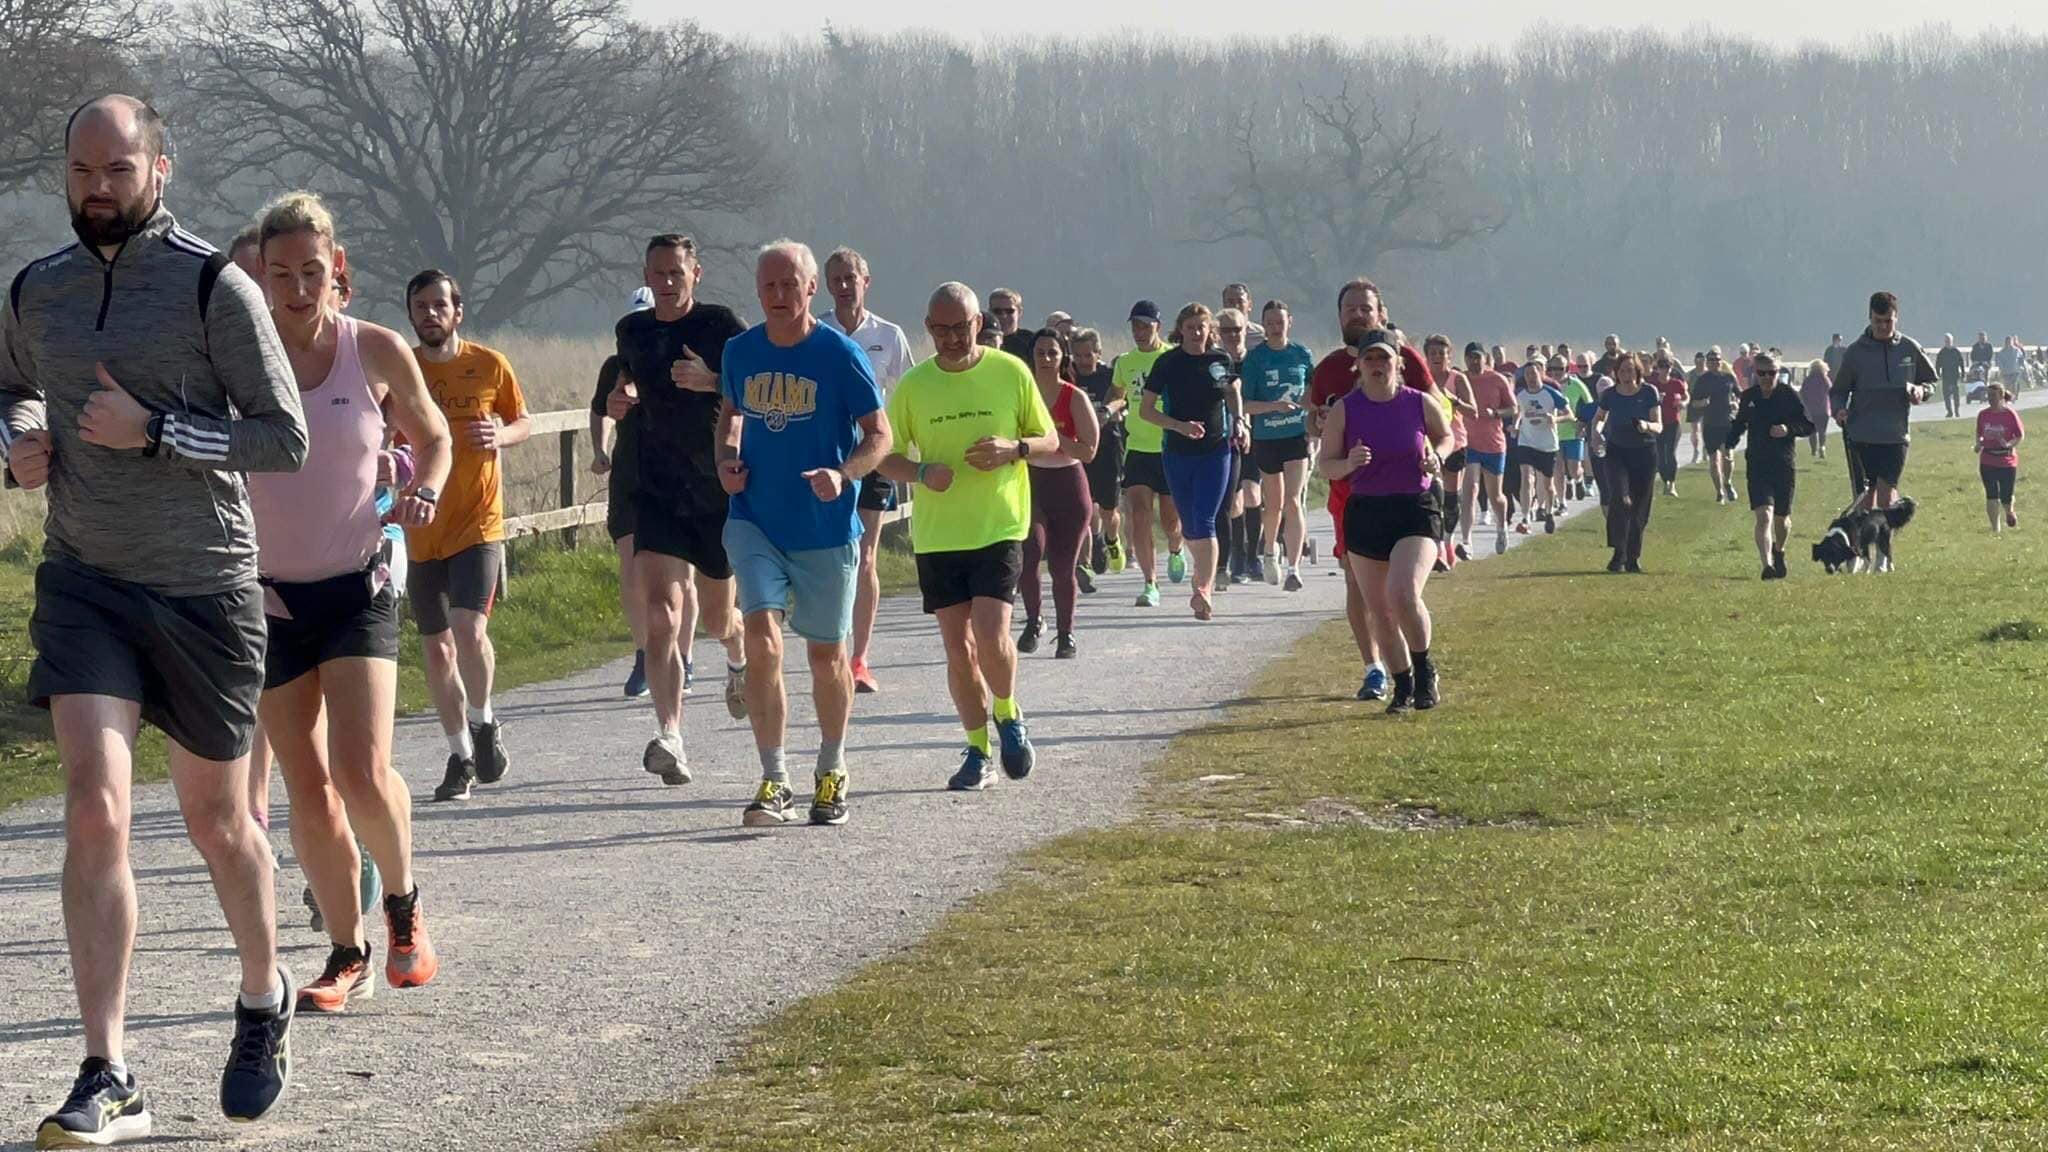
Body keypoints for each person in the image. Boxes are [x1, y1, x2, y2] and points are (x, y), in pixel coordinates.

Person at [4, 94, 309, 1146]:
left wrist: (158, 431)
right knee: (94, 808)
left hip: (204, 587)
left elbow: (284, 438)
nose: (98, 190)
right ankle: (109, 1071)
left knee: (218, 823)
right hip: (85, 580)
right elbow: (9, 389)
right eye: (82, 171)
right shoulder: (37, 289)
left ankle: (263, 996)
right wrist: (19, 440)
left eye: (118, 171)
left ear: (159, 171)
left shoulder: (215, 286)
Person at [246, 192, 450, 1013]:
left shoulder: (374, 349)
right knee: (308, 787)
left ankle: (402, 907)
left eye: (312, 272)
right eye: (281, 274)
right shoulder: (238, 359)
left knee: (359, 769)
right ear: (260, 277)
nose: (298, 290)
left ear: (337, 270)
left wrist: (427, 487)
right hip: (270, 601)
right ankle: (345, 951)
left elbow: (433, 436)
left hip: (357, 586)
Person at [717, 241, 891, 828]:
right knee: (762, 639)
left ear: (811, 288)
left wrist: (843, 475)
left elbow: (879, 435)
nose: (778, 296)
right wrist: (726, 460)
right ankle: (775, 779)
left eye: (790, 285)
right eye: (769, 286)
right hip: (755, 519)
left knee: (826, 656)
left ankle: (832, 767)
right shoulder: (740, 351)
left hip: (823, 528)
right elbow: (730, 415)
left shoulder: (839, 354)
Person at [874, 284, 1055, 789]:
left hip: (998, 525)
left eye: (962, 328)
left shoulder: (1010, 371)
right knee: (959, 650)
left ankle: (1008, 713)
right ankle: (978, 752)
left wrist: (1013, 449)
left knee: (992, 636)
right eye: (942, 330)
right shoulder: (914, 385)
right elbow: (884, 455)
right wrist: (920, 472)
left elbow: (1049, 439)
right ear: (928, 329)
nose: (952, 339)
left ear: (979, 324)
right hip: (939, 534)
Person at [608, 234, 752, 785]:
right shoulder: (632, 330)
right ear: (646, 275)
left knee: (717, 619)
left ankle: (737, 656)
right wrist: (619, 400)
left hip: (712, 488)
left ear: (696, 273)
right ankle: (670, 734)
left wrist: (711, 380)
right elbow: (622, 385)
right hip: (657, 487)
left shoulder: (721, 326)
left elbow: (757, 386)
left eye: (676, 273)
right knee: (661, 614)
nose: (667, 283)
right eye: (658, 273)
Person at [403, 269, 531, 801]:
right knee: (436, 652)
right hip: (420, 528)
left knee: (468, 630)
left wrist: (500, 434)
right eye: (421, 306)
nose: (431, 314)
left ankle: (482, 720)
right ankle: (460, 756)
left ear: (458, 311)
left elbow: (523, 421)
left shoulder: (489, 364)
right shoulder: (401, 367)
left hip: (478, 523)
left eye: (440, 305)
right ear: (411, 314)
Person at [1309, 278, 1435, 701]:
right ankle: (1375, 667)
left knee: (1400, 592)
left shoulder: (1409, 359)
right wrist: (1323, 424)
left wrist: (1432, 451)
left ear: (1381, 313)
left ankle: (1418, 667)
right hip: (1351, 491)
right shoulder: (1328, 369)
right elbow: (1313, 421)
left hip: (1406, 486)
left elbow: (1438, 412)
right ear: (1339, 316)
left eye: (1366, 308)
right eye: (1350, 309)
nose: (1358, 315)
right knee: (1360, 588)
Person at [819, 247, 915, 696]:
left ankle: (859, 659)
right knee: (830, 555)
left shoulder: (889, 335)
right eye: (836, 279)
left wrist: (910, 446)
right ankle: (832, 649)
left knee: (866, 555)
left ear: (866, 282)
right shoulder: (815, 330)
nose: (844, 286)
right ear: (825, 284)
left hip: (872, 452)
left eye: (850, 278)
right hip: (826, 452)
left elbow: (909, 390)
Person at [1142, 304, 1245, 620]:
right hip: (1177, 452)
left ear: (1209, 330)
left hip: (1216, 451)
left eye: (1202, 327)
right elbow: (1146, 410)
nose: (1197, 333)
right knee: (1189, 525)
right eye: (1190, 327)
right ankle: (1202, 576)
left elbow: (1232, 391)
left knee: (1206, 519)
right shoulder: (1168, 363)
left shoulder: (1220, 359)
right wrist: (1179, 426)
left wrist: (1240, 421)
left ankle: (1203, 589)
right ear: (1181, 330)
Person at [592, 288, 658, 699]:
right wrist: (600, 449)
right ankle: (644, 654)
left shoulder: (682, 362)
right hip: (630, 474)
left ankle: (681, 655)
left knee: (678, 573)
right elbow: (599, 408)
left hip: (678, 476)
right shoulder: (615, 366)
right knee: (631, 566)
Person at [1017, 328, 1100, 656]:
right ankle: (1034, 620)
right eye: (1040, 353)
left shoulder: (1073, 397)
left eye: (1053, 352)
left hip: (1068, 486)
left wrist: (1052, 438)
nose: (1047, 358)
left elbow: (1089, 451)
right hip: (1031, 484)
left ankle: (1066, 634)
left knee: (1062, 568)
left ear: (1063, 356)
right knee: (1029, 556)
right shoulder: (1021, 395)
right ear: (1031, 356)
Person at [1830, 290, 1936, 516]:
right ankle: (1865, 539)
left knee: (1887, 498)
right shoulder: (1855, 352)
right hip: (1861, 435)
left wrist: (1921, 390)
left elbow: (1930, 382)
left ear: (1896, 318)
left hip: (1895, 436)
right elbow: (1838, 390)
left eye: (1888, 321)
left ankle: (1885, 539)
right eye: (1878, 321)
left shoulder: (1909, 348)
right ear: (1869, 318)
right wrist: (1839, 410)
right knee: (1866, 500)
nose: (1883, 327)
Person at [1113, 300, 1182, 605]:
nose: (1139, 332)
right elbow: (1118, 394)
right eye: (1135, 326)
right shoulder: (1124, 362)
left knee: (1170, 522)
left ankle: (1176, 548)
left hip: (1169, 448)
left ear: (1158, 326)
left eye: (1145, 325)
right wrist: (1109, 409)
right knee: (1139, 514)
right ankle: (1150, 583)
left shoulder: (1172, 358)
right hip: (1138, 449)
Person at [1242, 300, 1314, 588]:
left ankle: (1294, 567)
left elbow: (1313, 390)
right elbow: (1245, 404)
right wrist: (1274, 406)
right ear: (1263, 325)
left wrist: (1311, 415)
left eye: (1280, 322)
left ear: (1289, 322)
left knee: (1293, 500)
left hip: (1296, 435)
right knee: (1274, 504)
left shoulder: (1301, 353)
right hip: (1267, 437)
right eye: (1270, 323)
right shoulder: (1255, 359)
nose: (1275, 328)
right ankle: (1270, 550)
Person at [1726, 349, 1813, 580]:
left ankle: (1779, 550)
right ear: (1755, 373)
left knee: (1781, 519)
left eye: (1771, 373)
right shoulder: (1749, 397)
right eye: (1761, 373)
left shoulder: (1788, 395)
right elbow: (1740, 424)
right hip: (1757, 463)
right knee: (1764, 515)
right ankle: (1767, 565)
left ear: (1778, 372)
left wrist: (1788, 429)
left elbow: (1808, 425)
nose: (1766, 378)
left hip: (1783, 463)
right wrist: (1728, 445)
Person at [1592, 353, 1662, 573]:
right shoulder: (1610, 394)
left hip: (1644, 453)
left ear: (1638, 371)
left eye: (1630, 370)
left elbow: (1658, 425)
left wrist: (1646, 426)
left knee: (1640, 507)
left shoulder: (1649, 392)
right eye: (1622, 371)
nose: (1626, 375)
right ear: (1616, 373)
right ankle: (1618, 551)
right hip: (1617, 452)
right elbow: (1600, 418)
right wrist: (1596, 432)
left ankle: (1632, 557)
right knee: (1621, 500)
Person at [1213, 306, 1262, 585]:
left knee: (1253, 495)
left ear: (1246, 330)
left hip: (1253, 436)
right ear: (1218, 333)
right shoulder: (1215, 364)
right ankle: (1238, 557)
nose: (1232, 335)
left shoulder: (1254, 362)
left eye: (1237, 329)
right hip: (1224, 438)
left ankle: (1254, 556)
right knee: (1233, 502)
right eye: (1226, 330)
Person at [1073, 327, 1125, 574]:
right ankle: (1085, 560)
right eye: (1078, 356)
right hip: (1079, 449)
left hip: (1108, 448)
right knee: (1082, 507)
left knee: (1107, 510)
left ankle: (1112, 540)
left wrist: (1108, 410)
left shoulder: (1109, 376)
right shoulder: (1069, 376)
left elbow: (1121, 397)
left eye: (1088, 355)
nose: (1083, 361)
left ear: (1098, 353)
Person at [1423, 335, 1475, 569]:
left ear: (1449, 356)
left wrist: (1453, 400)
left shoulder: (1457, 378)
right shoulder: (1422, 377)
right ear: (1426, 356)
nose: (1437, 357)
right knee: (1433, 496)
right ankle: (1437, 550)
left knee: (1451, 499)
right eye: (1432, 353)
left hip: (1455, 443)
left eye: (1441, 353)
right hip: (1428, 444)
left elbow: (1473, 411)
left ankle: (1448, 541)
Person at [1458, 342, 1515, 557]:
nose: (1474, 361)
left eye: (1477, 357)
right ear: (1465, 359)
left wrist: (1496, 413)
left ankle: (1501, 527)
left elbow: (1513, 408)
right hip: (1469, 443)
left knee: (1495, 496)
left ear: (1485, 359)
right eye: (1470, 357)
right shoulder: (1460, 379)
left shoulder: (1497, 379)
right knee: (1470, 490)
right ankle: (1466, 541)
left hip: (1493, 444)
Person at [1511, 364, 1566, 534]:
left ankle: (1548, 513)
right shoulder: (1520, 394)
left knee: (1547, 484)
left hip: (1547, 444)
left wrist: (1555, 419)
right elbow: (1518, 412)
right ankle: (1525, 517)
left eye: (1534, 374)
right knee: (1526, 477)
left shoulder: (1551, 393)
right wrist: (1516, 425)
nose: (1531, 378)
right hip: (1526, 441)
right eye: (1527, 374)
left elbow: (1570, 414)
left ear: (1541, 374)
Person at [1694, 348, 1739, 505]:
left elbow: (1740, 395)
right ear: (1707, 363)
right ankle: (1719, 492)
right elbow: (1694, 402)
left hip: (1727, 421)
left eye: (1717, 359)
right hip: (1710, 423)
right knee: (1714, 460)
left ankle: (1728, 482)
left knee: (1728, 456)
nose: (1715, 362)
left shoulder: (1728, 378)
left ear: (1721, 361)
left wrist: (1736, 403)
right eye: (1712, 360)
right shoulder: (1702, 380)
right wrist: (1702, 403)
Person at [1977, 382, 2023, 533]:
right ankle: (1995, 529)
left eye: (1993, 396)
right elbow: (1979, 434)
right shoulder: (1983, 414)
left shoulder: (2010, 414)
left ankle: (2009, 511)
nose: (1990, 399)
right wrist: (1979, 443)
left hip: (2006, 461)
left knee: (2006, 496)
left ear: (2001, 396)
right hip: (1987, 459)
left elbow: (2019, 435)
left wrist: (2008, 444)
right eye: (1989, 395)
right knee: (1991, 495)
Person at [1553, 354, 1595, 505]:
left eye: (1560, 368)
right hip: (1553, 434)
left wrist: (1583, 423)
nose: (1556, 372)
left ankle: (1578, 480)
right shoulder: (1548, 385)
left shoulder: (1576, 384)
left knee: (1574, 468)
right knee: (1558, 470)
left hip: (1573, 432)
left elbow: (1590, 405)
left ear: (1566, 369)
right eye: (1552, 368)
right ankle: (1562, 503)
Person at [1649, 354, 1687, 496]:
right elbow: (1646, 401)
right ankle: (1666, 482)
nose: (1664, 370)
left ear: (1671, 368)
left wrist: (1683, 403)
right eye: (1661, 367)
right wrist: (1657, 399)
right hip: (1658, 423)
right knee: (1659, 455)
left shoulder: (1676, 383)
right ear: (1657, 368)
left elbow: (1686, 396)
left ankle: (1672, 484)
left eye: (1667, 367)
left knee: (1670, 453)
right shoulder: (1653, 385)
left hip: (1673, 423)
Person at [988, 287, 1035, 360]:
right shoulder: (980, 340)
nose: (1003, 316)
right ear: (990, 312)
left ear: (1020, 312)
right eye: (997, 311)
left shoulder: (1033, 342)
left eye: (1009, 311)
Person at [1799, 359, 1833, 460]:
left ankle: (1813, 450)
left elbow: (1802, 393)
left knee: (1812, 431)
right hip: (1823, 409)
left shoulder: (1808, 380)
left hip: (1811, 410)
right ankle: (1822, 447)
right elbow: (1831, 391)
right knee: (1822, 431)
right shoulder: (1825, 379)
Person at [1686, 350, 1708, 463]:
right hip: (1694, 402)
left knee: (1705, 428)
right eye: (1698, 361)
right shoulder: (1690, 374)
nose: (1700, 363)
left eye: (1702, 361)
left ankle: (1705, 449)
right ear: (1695, 361)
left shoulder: (1708, 374)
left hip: (1706, 403)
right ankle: (1696, 451)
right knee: (1695, 429)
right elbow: (1686, 389)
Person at [1937, 334, 1966, 419]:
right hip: (1945, 375)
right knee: (1946, 395)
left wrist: (1963, 373)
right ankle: (1949, 411)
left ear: (1952, 341)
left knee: (1956, 394)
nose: (1947, 342)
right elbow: (1938, 364)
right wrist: (1938, 373)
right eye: (1946, 340)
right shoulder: (1942, 352)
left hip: (1954, 375)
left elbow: (1961, 363)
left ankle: (1957, 410)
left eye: (1949, 340)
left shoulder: (1956, 351)